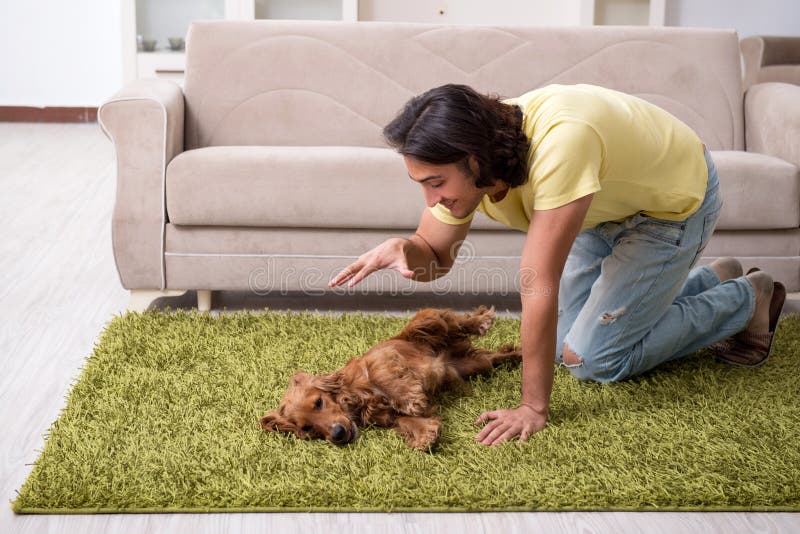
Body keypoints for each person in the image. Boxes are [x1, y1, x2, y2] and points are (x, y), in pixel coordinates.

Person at [328, 83, 786, 446]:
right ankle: (712, 278)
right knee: (559, 346)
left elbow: (537, 284)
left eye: (436, 183)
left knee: (591, 359)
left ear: (473, 161)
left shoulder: (561, 146)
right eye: (421, 185)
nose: (432, 199)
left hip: (671, 205)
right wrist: (406, 249)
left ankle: (747, 298)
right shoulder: (470, 161)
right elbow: (434, 258)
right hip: (597, 207)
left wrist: (533, 408)